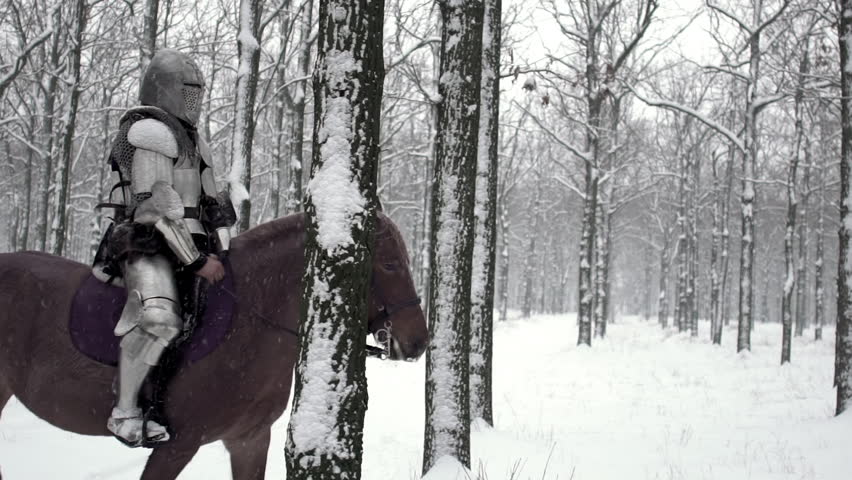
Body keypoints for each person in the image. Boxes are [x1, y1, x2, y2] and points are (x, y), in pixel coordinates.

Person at [95, 49, 233, 447]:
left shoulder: (195, 140)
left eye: (199, 94)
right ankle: (124, 412)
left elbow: (212, 202)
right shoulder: (149, 132)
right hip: (147, 241)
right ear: (166, 91)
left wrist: (224, 247)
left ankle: (159, 407)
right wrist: (196, 261)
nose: (195, 101)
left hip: (195, 240)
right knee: (159, 319)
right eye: (188, 93)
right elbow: (155, 209)